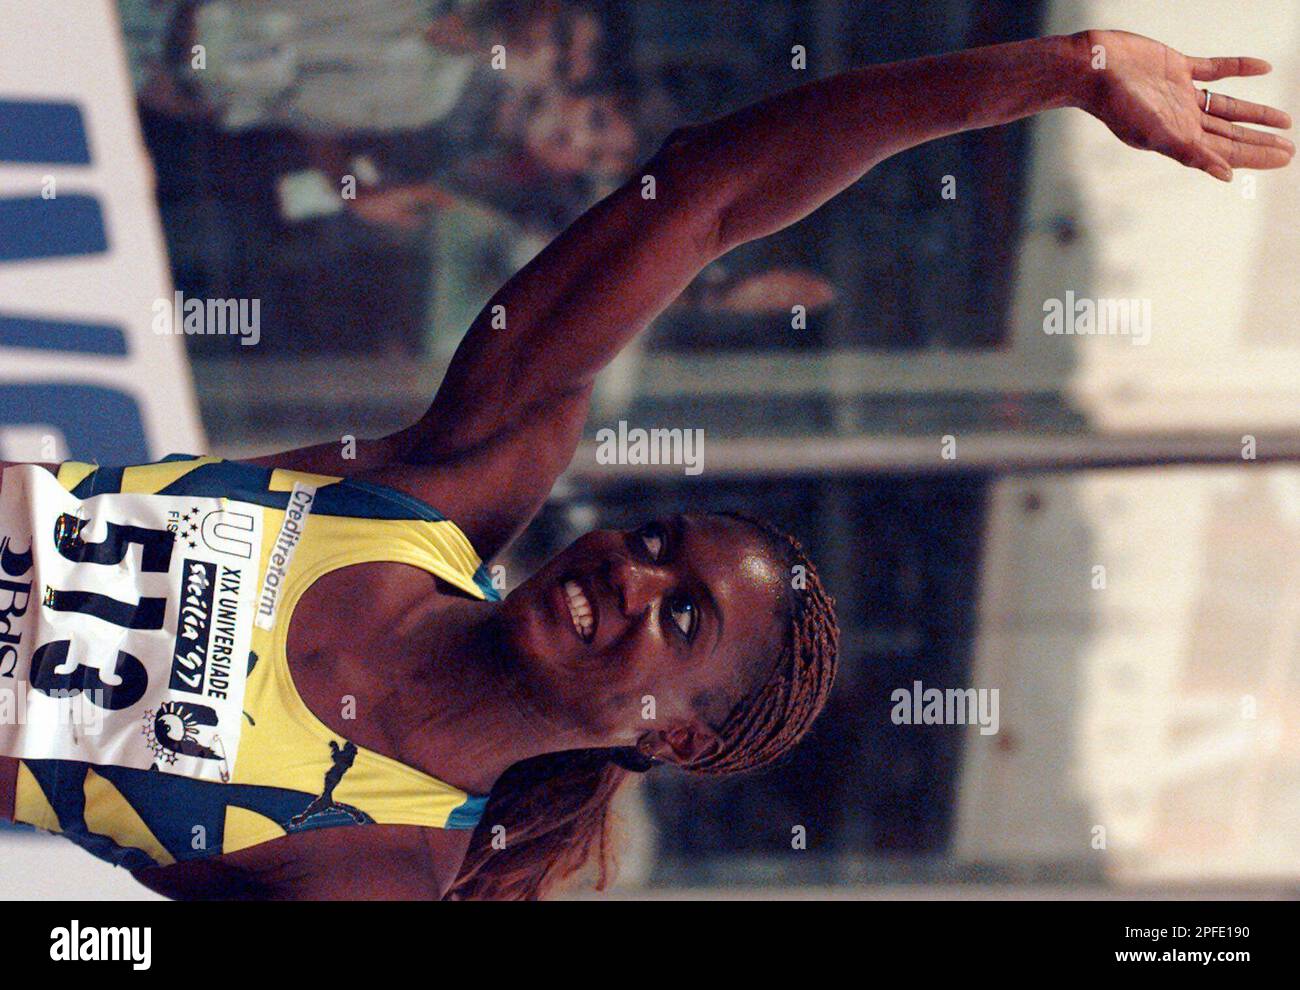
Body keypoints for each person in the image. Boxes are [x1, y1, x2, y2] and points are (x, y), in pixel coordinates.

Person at [0, 30, 1292, 900]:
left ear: (674, 729)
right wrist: (1062, 69)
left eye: (680, 614)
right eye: (662, 544)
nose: (631, 567)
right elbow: (705, 198)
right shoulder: (443, 483)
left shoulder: (380, 865)